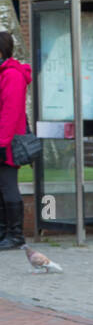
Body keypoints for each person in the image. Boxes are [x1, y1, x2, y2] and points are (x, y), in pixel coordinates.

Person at [0, 31, 32, 251]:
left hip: (7, 143)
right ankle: (4, 232)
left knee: (8, 186)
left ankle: (15, 235)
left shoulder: (11, 75)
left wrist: (1, 143)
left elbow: (10, 113)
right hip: (3, 140)